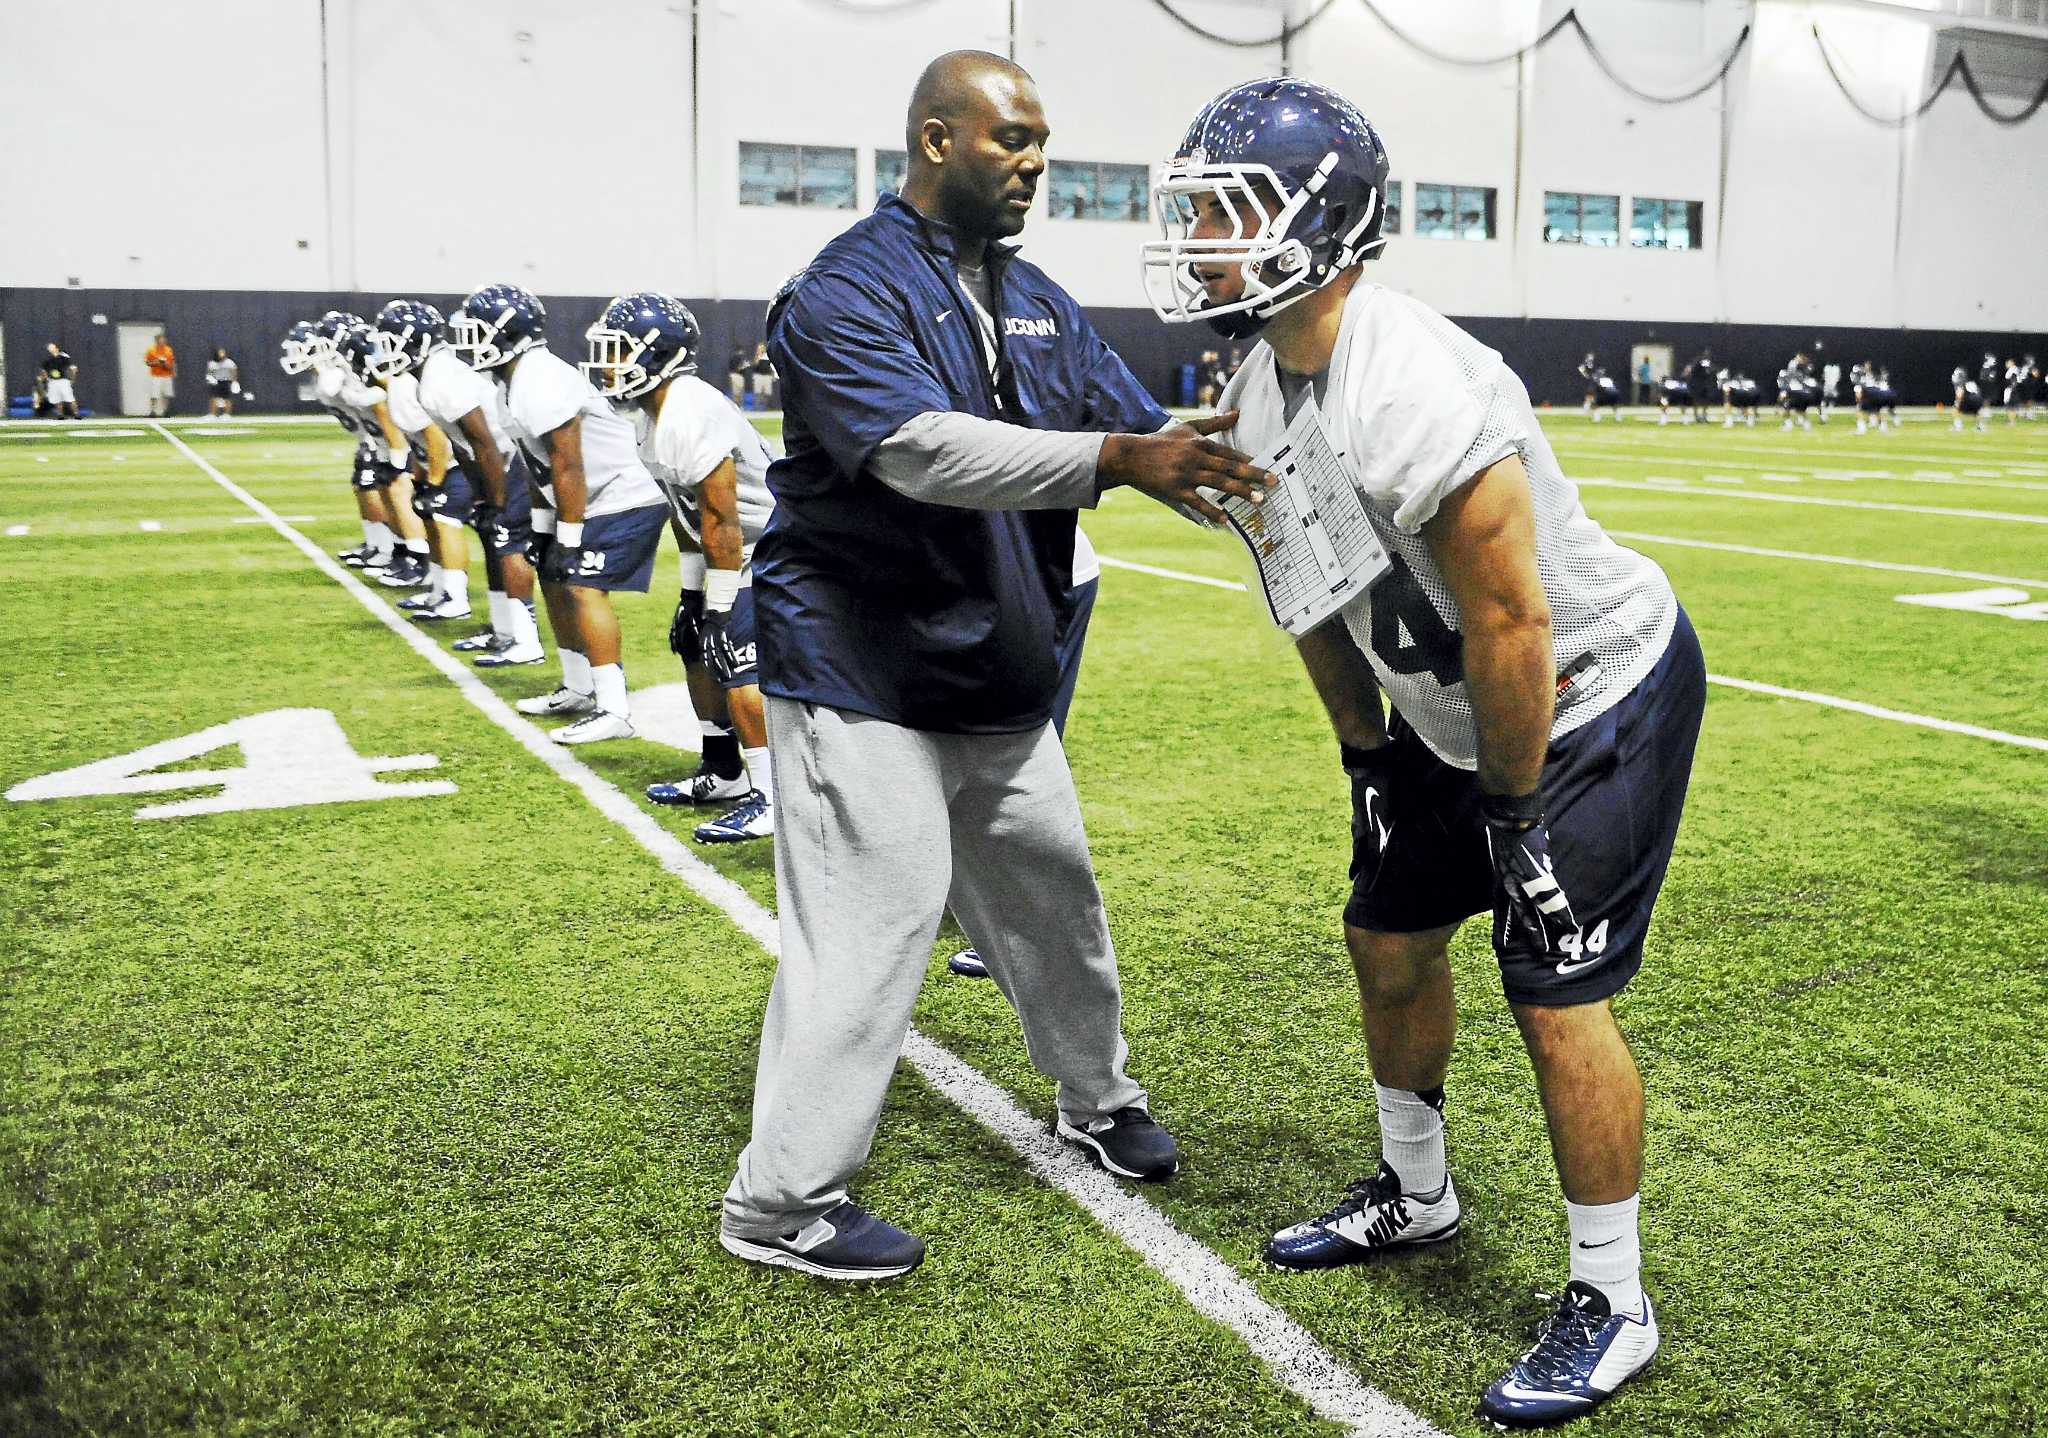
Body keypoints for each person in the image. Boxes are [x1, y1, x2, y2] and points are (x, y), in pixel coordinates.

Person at [1143, 76, 1705, 1429]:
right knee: (1386, 938)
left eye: (1232, 209)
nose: (1205, 236)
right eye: (1200, 209)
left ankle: (1613, 1295)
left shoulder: (1413, 384)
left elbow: (1515, 618)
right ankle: (1418, 1190)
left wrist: (1513, 809)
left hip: (1587, 693)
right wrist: (1370, 761)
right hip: (1463, 714)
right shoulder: (1259, 387)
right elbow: (1312, 591)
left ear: (1320, 224)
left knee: (1552, 985)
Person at [718, 49, 1273, 1282]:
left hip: (994, 668)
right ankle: (778, 1201)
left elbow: (1144, 437)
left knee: (1053, 900)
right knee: (874, 928)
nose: (1031, 163)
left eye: (1039, 143)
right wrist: (1120, 461)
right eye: (1007, 140)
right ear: (933, 140)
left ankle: (1095, 1098)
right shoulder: (840, 290)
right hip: (859, 667)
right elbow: (921, 453)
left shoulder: (1035, 298)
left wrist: (1266, 482)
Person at [583, 290, 781, 842]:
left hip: (775, 544)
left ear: (656, 354)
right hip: (734, 544)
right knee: (694, 640)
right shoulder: (651, 413)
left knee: (739, 658)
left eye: (618, 351)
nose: (606, 364)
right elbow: (687, 515)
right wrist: (695, 599)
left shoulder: (688, 409)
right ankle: (723, 771)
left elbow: (722, 520)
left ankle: (771, 798)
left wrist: (720, 608)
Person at [454, 283, 670, 744]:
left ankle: (613, 709)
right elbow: (541, 468)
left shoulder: (540, 379)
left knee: (582, 585)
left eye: (476, 332)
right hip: (586, 497)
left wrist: (568, 537)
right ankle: (578, 686)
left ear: (505, 333)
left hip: (621, 494)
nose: (468, 342)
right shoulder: (508, 385)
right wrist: (542, 531)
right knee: (552, 575)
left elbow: (569, 462)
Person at [374, 298, 547, 663]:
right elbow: (465, 447)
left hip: (513, 458)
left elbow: (484, 442)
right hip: (498, 459)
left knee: (508, 541)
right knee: (493, 540)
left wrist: (496, 500)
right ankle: (504, 630)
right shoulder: (427, 379)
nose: (385, 350)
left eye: (392, 340)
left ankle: (526, 641)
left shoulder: (440, 379)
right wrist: (483, 499)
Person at [370, 301, 474, 623]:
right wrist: (419, 476)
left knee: (445, 522)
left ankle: (456, 597)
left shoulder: (425, 379)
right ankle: (438, 588)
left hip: (457, 465)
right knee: (432, 520)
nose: (384, 352)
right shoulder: (408, 379)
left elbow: (436, 437)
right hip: (437, 465)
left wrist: (435, 482)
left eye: (391, 341)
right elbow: (419, 439)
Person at [40, 343, 79, 419]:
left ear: (57, 348)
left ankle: (76, 414)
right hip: (53, 382)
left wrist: (72, 379)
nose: (51, 349)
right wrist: (47, 379)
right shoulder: (48, 361)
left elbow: (73, 369)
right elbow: (43, 371)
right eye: (49, 348)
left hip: (63, 381)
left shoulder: (64, 358)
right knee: (57, 399)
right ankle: (60, 415)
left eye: (52, 348)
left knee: (70, 398)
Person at [145, 333, 176, 417]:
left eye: (164, 340)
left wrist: (170, 368)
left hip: (166, 375)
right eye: (161, 340)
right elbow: (148, 363)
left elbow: (171, 363)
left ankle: (165, 411)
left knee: (166, 394)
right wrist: (157, 362)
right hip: (156, 375)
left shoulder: (168, 350)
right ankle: (153, 411)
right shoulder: (151, 350)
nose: (163, 342)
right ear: (157, 341)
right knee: (154, 394)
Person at [206, 348, 239, 417]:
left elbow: (234, 371)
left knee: (226, 399)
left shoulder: (229, 362)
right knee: (213, 399)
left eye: (223, 353)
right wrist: (210, 379)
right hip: (216, 382)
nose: (222, 354)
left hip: (225, 382)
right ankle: (212, 415)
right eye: (220, 353)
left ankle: (226, 415)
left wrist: (234, 381)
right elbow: (209, 373)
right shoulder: (212, 363)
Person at [748, 341, 776, 410]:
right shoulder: (757, 357)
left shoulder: (767, 356)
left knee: (767, 393)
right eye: (760, 348)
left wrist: (773, 375)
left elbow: (771, 366)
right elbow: (754, 367)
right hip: (758, 376)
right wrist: (758, 357)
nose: (761, 349)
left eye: (762, 348)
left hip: (767, 377)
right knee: (758, 393)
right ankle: (757, 408)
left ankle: (766, 407)